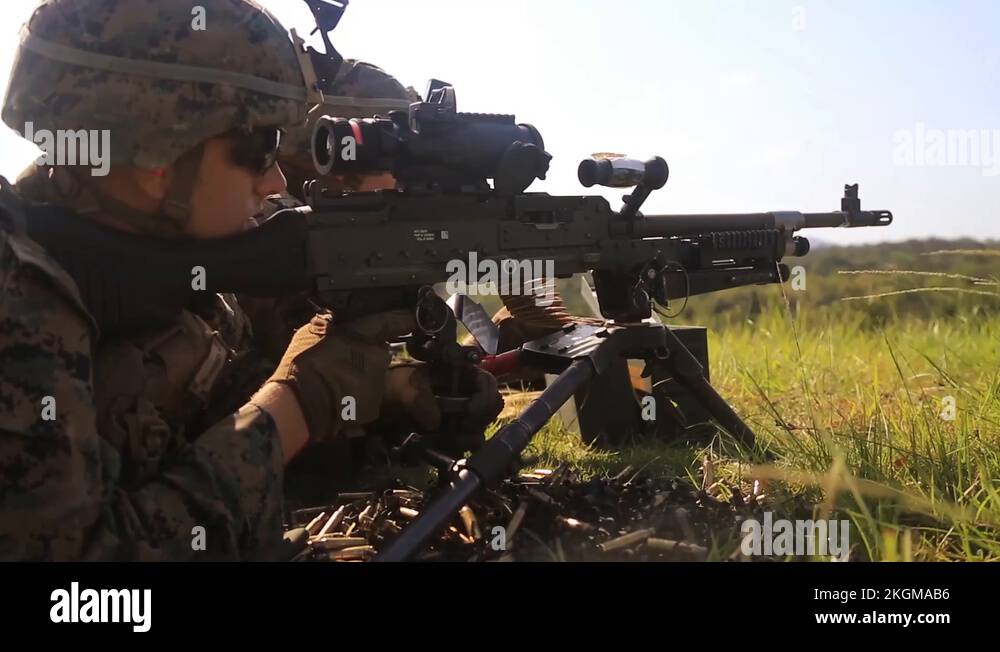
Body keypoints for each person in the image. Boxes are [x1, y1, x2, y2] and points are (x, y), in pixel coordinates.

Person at [0, 0, 501, 561]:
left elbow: (205, 444)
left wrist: (384, 395)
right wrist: (295, 404)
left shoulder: (165, 272)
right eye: (260, 149)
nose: (277, 180)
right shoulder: (19, 290)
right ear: (155, 159)